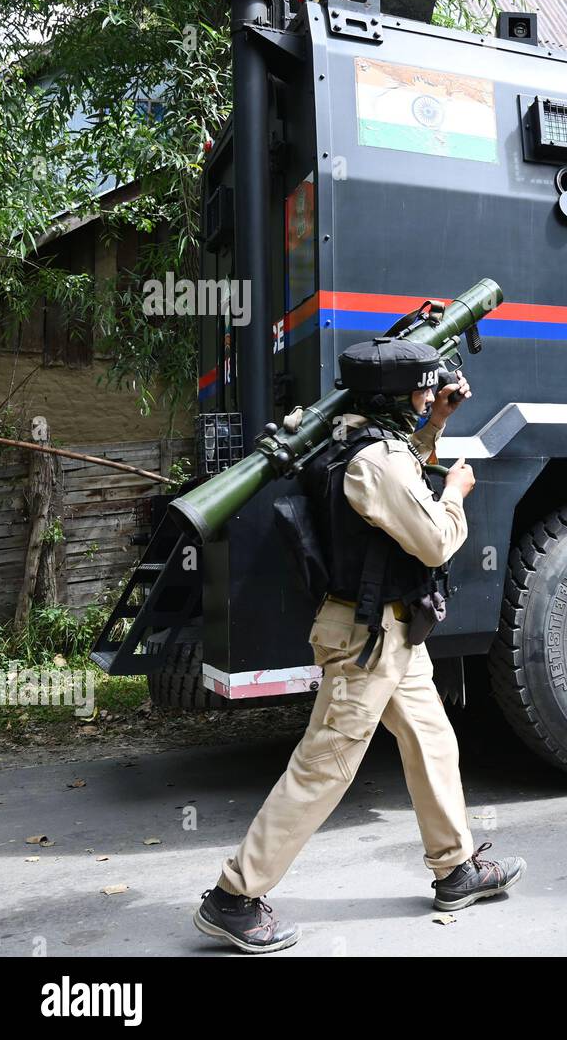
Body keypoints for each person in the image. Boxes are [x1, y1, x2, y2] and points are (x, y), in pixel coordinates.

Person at [194, 337, 525, 952]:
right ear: (392, 397)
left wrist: (438, 421)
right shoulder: (375, 460)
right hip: (367, 639)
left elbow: (395, 478)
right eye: (423, 389)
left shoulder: (355, 436)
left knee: (431, 739)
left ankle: (454, 869)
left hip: (391, 631)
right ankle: (233, 897)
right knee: (326, 765)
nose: (430, 395)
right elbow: (432, 541)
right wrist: (454, 493)